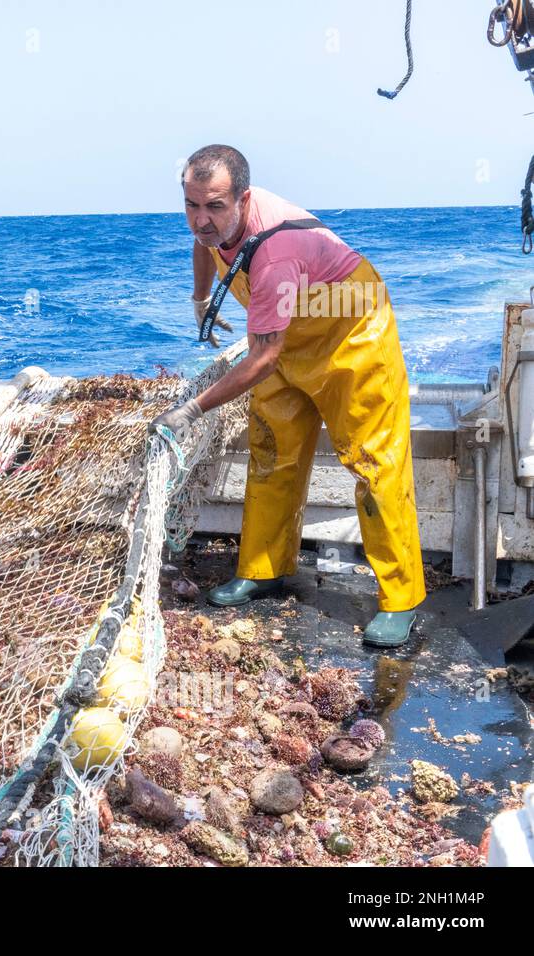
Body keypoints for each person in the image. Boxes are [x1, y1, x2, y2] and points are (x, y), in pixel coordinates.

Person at [152, 144, 425, 647]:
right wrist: (199, 298)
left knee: (373, 463)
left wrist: (191, 409)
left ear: (243, 198)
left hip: (351, 330)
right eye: (191, 205)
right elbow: (205, 243)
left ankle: (402, 598)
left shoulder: (275, 251)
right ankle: (263, 569)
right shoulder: (216, 219)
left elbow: (260, 361)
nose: (201, 218)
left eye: (213, 206)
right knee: (272, 450)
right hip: (286, 331)